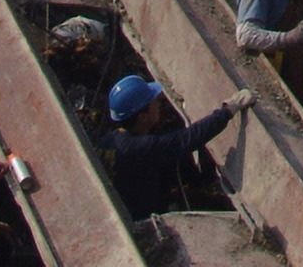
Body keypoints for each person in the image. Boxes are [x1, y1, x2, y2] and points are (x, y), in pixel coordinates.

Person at [97, 73, 254, 221]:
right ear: (142, 116)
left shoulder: (109, 140)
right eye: (154, 102)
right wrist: (229, 109)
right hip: (142, 220)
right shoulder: (139, 148)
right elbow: (187, 139)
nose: (159, 103)